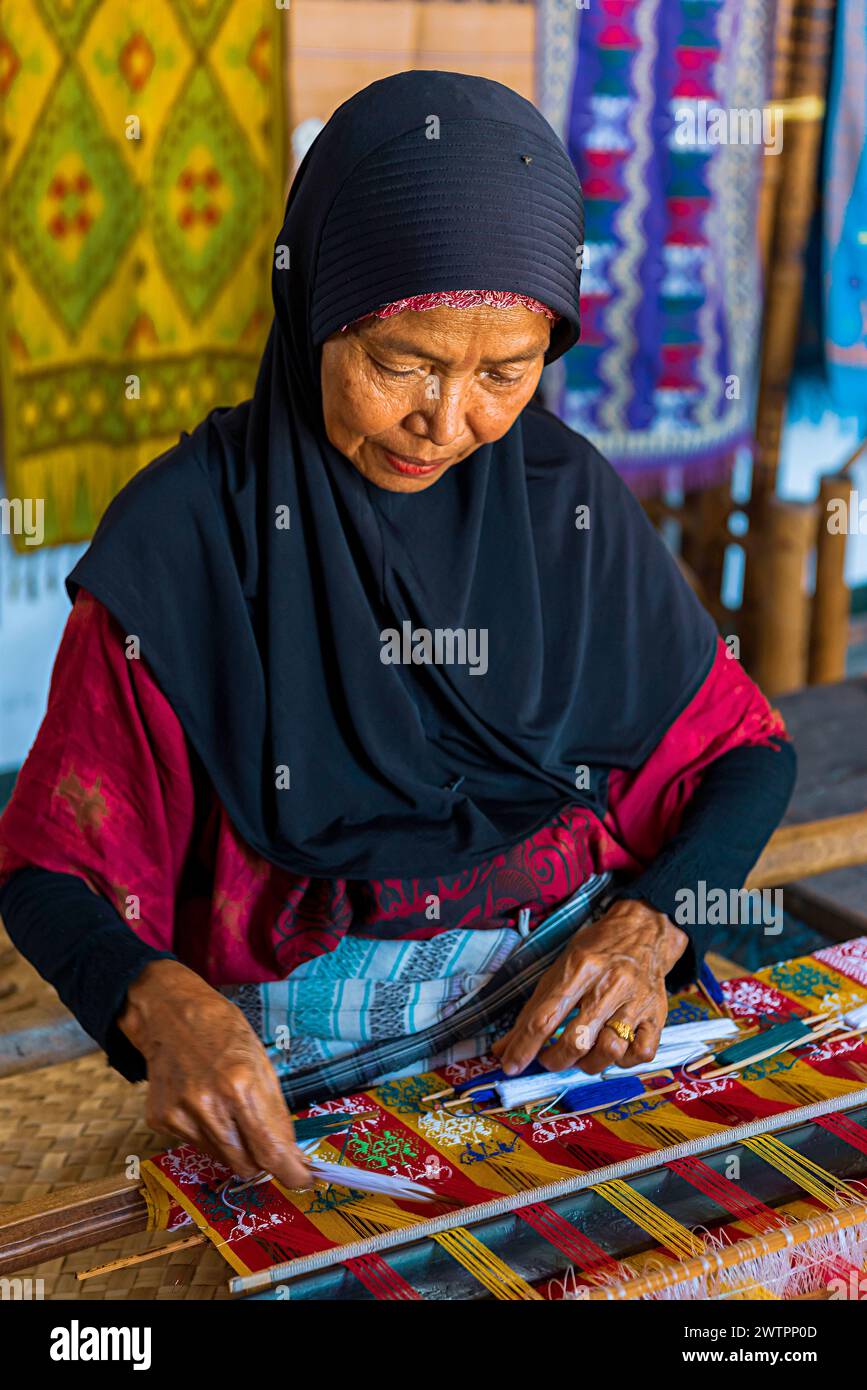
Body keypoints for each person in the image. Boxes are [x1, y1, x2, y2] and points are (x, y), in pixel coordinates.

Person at [0, 71, 795, 1192]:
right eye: (401, 363)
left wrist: (648, 929)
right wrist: (161, 1000)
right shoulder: (186, 543)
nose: (448, 418)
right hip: (308, 1105)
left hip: (562, 1048)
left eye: (504, 374)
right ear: (316, 303)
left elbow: (745, 754)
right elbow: (49, 870)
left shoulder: (563, 500)